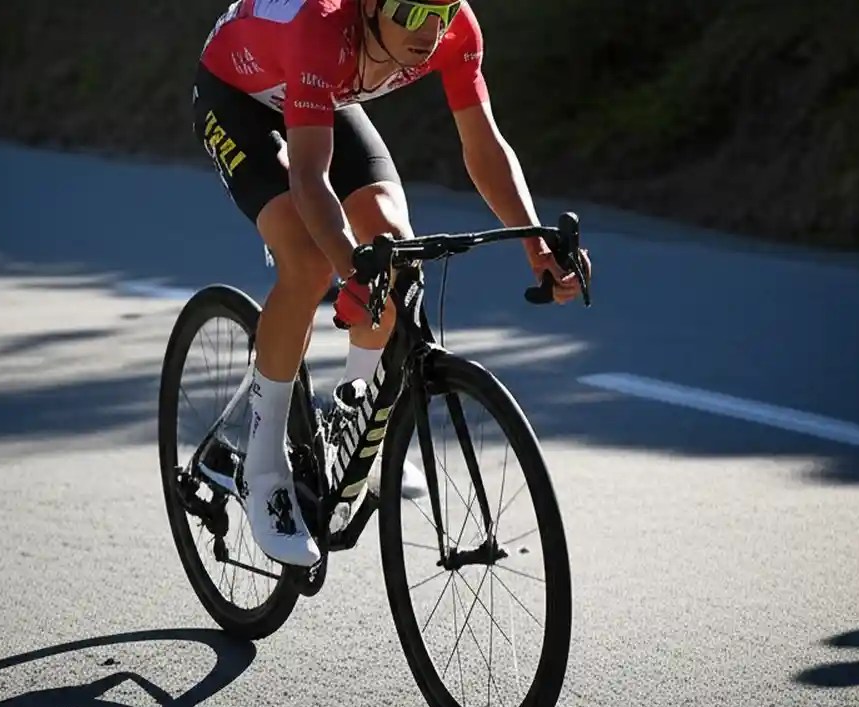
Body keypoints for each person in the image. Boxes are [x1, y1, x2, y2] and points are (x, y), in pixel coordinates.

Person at [192, 0, 590, 567]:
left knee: (394, 246)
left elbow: (483, 147)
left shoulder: (455, 32)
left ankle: (351, 430)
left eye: (442, 12)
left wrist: (535, 243)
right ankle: (260, 468)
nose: (430, 31)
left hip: (321, 92)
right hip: (237, 95)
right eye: (413, 12)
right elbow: (309, 176)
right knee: (308, 260)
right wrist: (348, 268)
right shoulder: (322, 26)